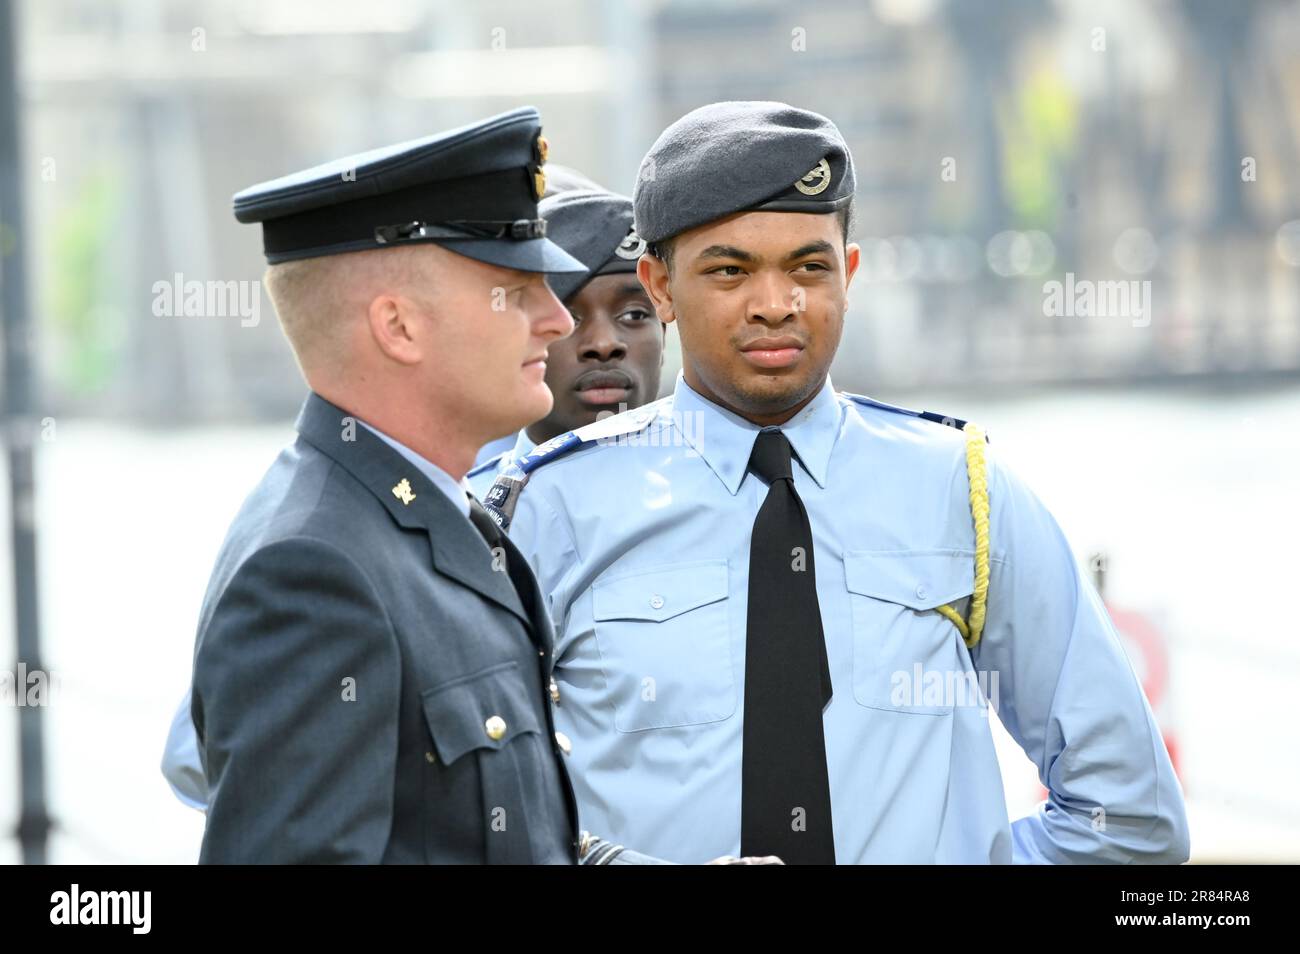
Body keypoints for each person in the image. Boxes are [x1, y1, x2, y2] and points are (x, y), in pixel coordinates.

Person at [486, 101, 1191, 865]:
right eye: (730, 270)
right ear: (659, 287)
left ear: (848, 275)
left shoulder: (963, 490)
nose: (775, 304)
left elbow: (1131, 815)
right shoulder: (549, 508)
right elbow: (482, 821)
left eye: (809, 267)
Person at [183, 107, 680, 864]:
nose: (554, 322)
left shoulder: (431, 519)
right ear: (400, 328)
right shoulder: (314, 574)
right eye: (515, 292)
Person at [468, 187, 665, 498]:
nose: (603, 344)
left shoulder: (725, 504)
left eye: (634, 315)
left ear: (664, 332)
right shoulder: (470, 516)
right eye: (566, 319)